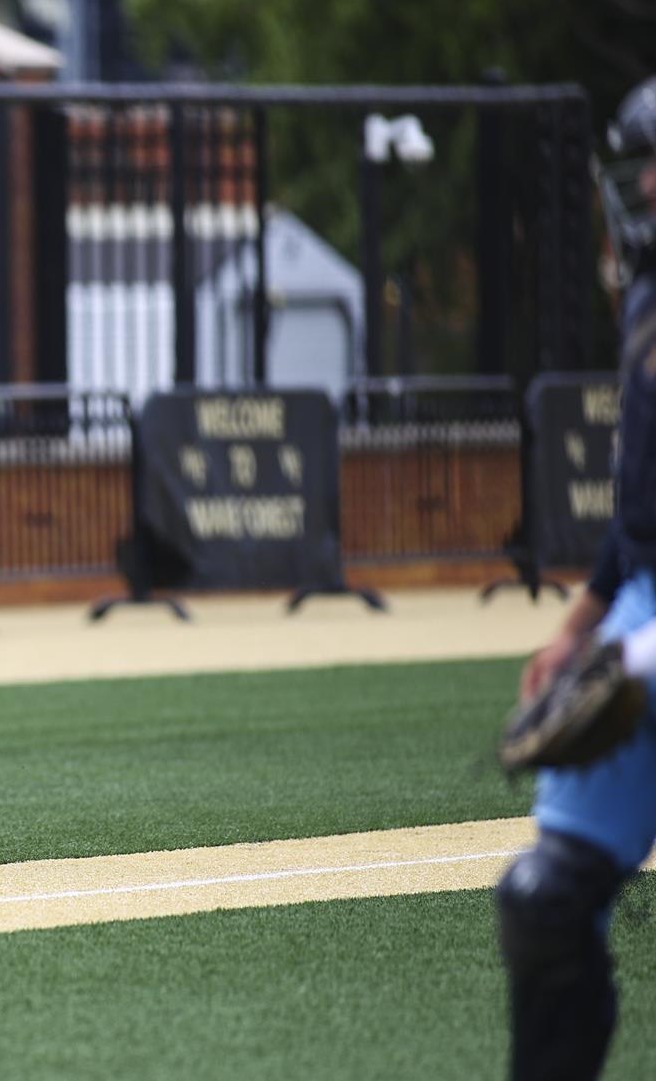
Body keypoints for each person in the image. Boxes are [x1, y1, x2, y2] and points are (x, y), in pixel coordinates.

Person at [498, 76, 656, 1080]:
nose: (642, 186)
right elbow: (641, 504)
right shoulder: (645, 297)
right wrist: (583, 620)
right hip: (644, 602)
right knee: (544, 903)